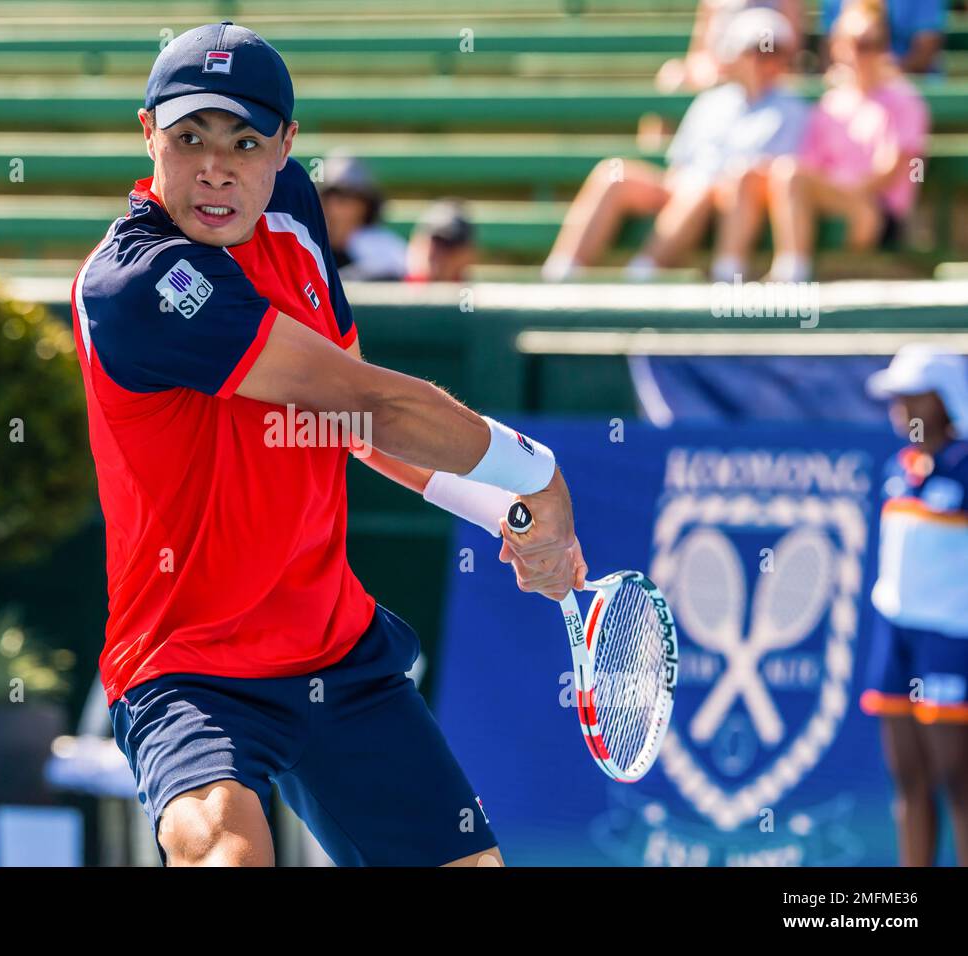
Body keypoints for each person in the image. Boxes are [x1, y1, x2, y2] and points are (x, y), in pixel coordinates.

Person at [70, 21, 586, 867]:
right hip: (192, 669)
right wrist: (541, 477)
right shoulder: (137, 285)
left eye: (244, 141)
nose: (214, 167)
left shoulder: (294, 215)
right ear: (147, 134)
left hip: (336, 652)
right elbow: (367, 400)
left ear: (286, 148)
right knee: (226, 854)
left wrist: (505, 512)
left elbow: (347, 423)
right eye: (188, 136)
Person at [542, 8, 808, 283]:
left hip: (727, 196)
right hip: (684, 184)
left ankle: (641, 275)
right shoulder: (711, 101)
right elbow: (680, 162)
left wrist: (709, 183)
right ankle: (561, 272)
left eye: (774, 53)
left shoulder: (792, 109)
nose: (763, 62)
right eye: (756, 52)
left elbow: (770, 174)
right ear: (736, 55)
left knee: (698, 190)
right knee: (613, 173)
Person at [862, 344, 968, 866]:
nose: (900, 410)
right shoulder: (896, 468)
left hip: (952, 640)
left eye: (912, 398)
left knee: (959, 781)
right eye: (895, 399)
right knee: (908, 777)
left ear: (947, 401)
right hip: (895, 637)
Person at [761, 0, 930, 281]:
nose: (861, 53)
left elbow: (895, 168)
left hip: (880, 213)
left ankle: (792, 275)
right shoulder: (831, 104)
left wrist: (844, 192)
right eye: (854, 43)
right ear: (837, 46)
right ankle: (786, 274)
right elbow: (812, 165)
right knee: (783, 174)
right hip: (837, 205)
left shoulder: (905, 100)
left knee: (791, 176)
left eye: (871, 43)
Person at [655, 0, 805, 93]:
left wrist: (751, 67)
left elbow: (777, 52)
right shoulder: (714, 4)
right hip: (718, 73)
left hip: (761, 78)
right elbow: (700, 52)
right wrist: (707, 68)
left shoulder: (777, 10)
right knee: (670, 78)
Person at [316, 153, 407, 281]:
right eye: (327, 198)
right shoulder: (308, 244)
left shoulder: (385, 247)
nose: (333, 207)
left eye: (343, 198)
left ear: (365, 206)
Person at [820, 0, 946, 75]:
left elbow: (925, 51)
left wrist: (885, 76)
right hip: (853, 85)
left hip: (912, 86)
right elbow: (834, 48)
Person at [404, 199, 476, 283]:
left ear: (467, 254)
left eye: (447, 244)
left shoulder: (473, 294)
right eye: (432, 242)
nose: (435, 252)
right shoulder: (391, 279)